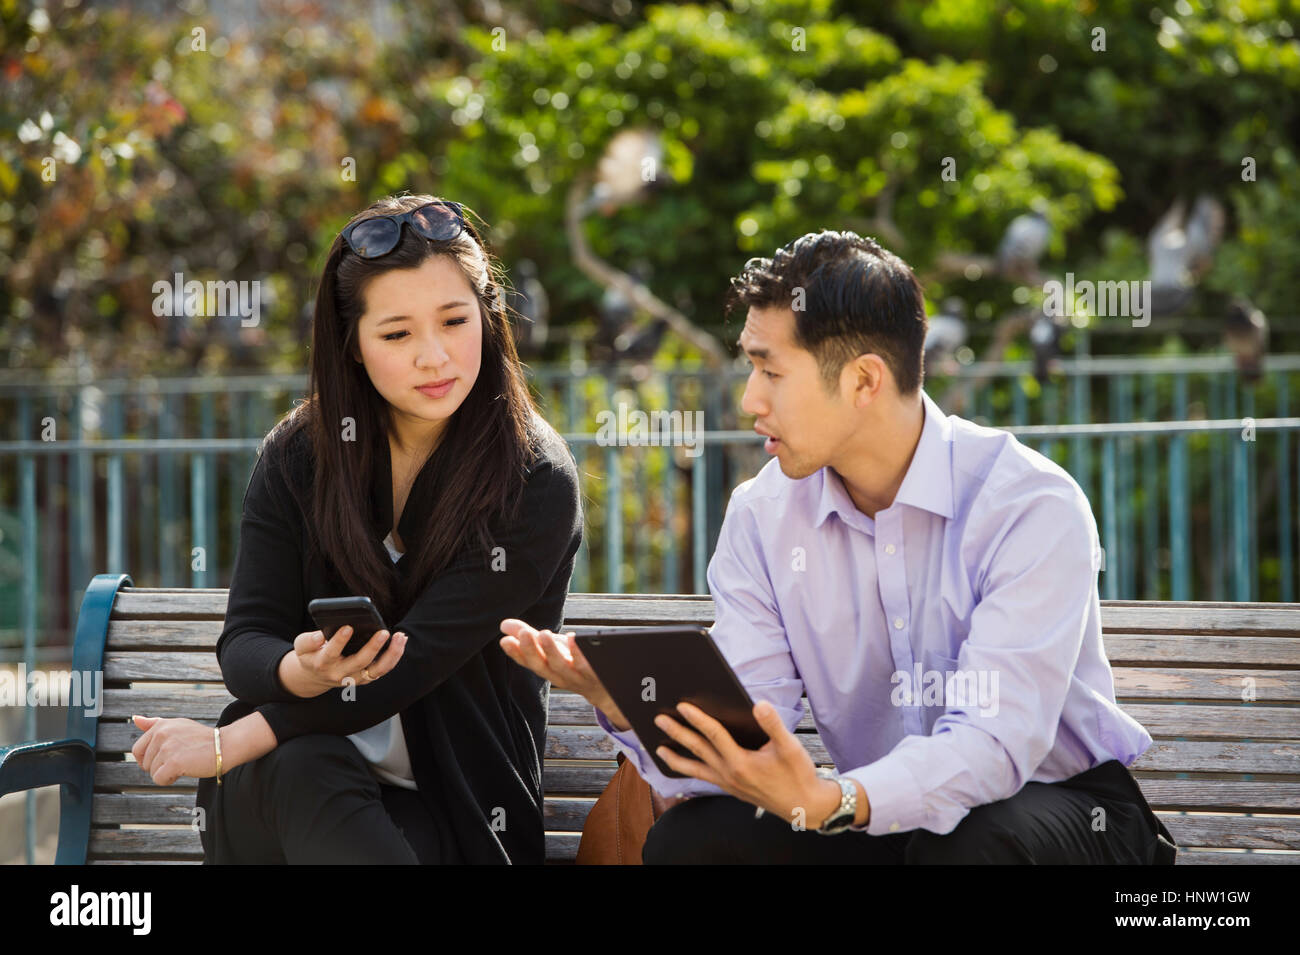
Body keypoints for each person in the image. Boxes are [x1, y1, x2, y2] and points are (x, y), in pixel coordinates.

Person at [500, 230, 1176, 864]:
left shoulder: (1027, 504)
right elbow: (750, 729)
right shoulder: (763, 515)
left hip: (1064, 809)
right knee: (698, 840)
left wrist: (836, 800)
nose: (748, 398)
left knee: (971, 845)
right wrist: (630, 703)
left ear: (863, 381)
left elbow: (995, 745)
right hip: (871, 812)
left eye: (770, 370)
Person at [130, 194, 583, 864]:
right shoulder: (298, 454)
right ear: (354, 345)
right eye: (397, 334)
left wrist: (227, 744)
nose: (435, 356)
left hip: (452, 811)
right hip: (287, 790)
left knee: (312, 777)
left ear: (488, 317)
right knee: (307, 767)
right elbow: (245, 639)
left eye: (455, 321)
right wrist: (297, 669)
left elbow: (410, 664)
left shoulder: (534, 478)